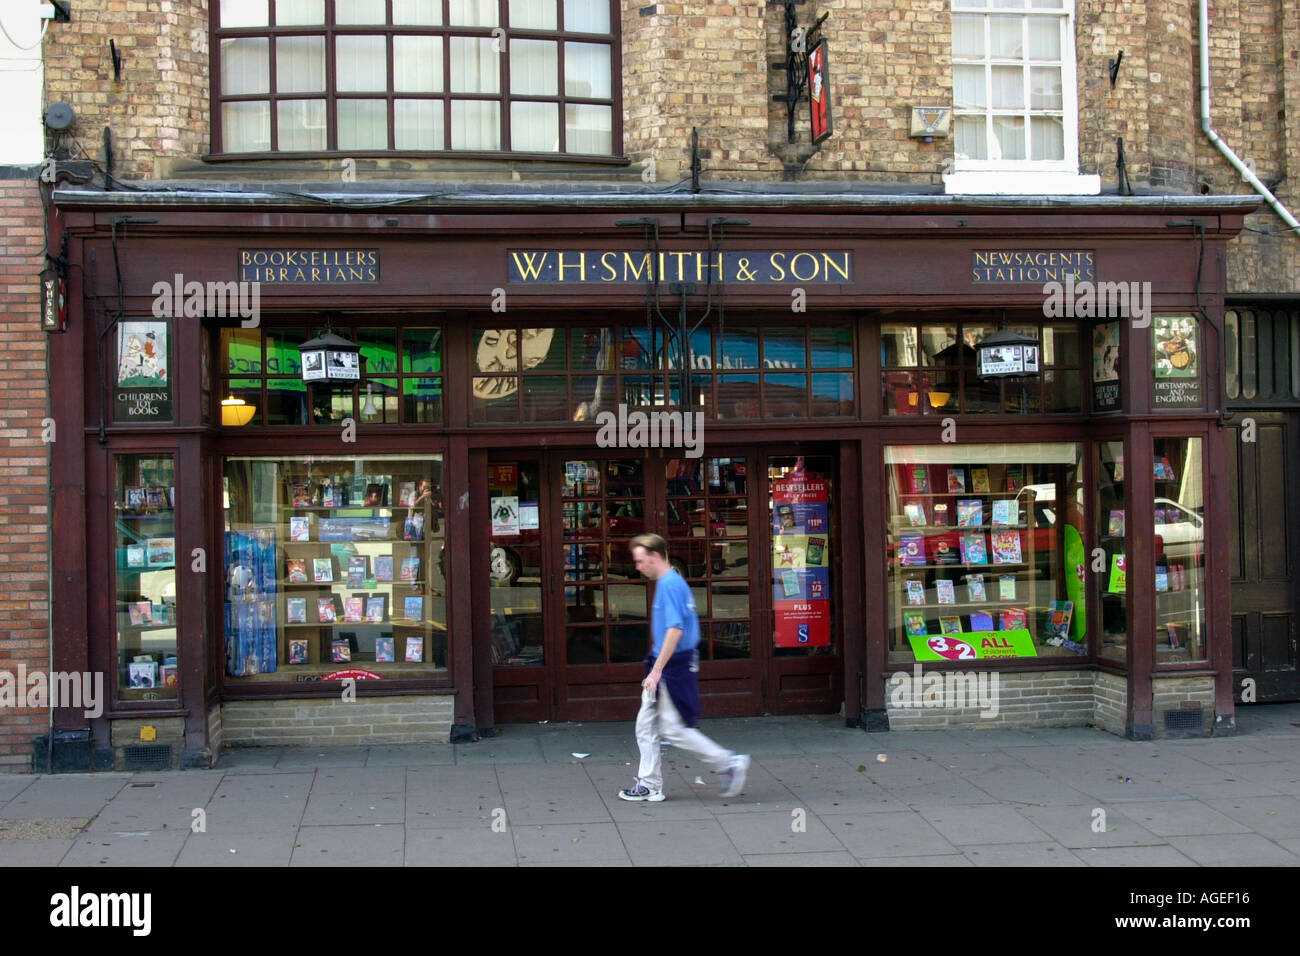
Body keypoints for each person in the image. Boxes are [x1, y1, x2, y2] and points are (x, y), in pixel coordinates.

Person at [618, 533, 750, 802]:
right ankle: (650, 783)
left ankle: (728, 763)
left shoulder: (669, 586)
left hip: (670, 666)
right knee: (646, 726)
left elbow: (675, 630)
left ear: (655, 557)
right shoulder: (672, 582)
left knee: (672, 729)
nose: (638, 567)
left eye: (641, 561)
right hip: (671, 663)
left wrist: (656, 671)